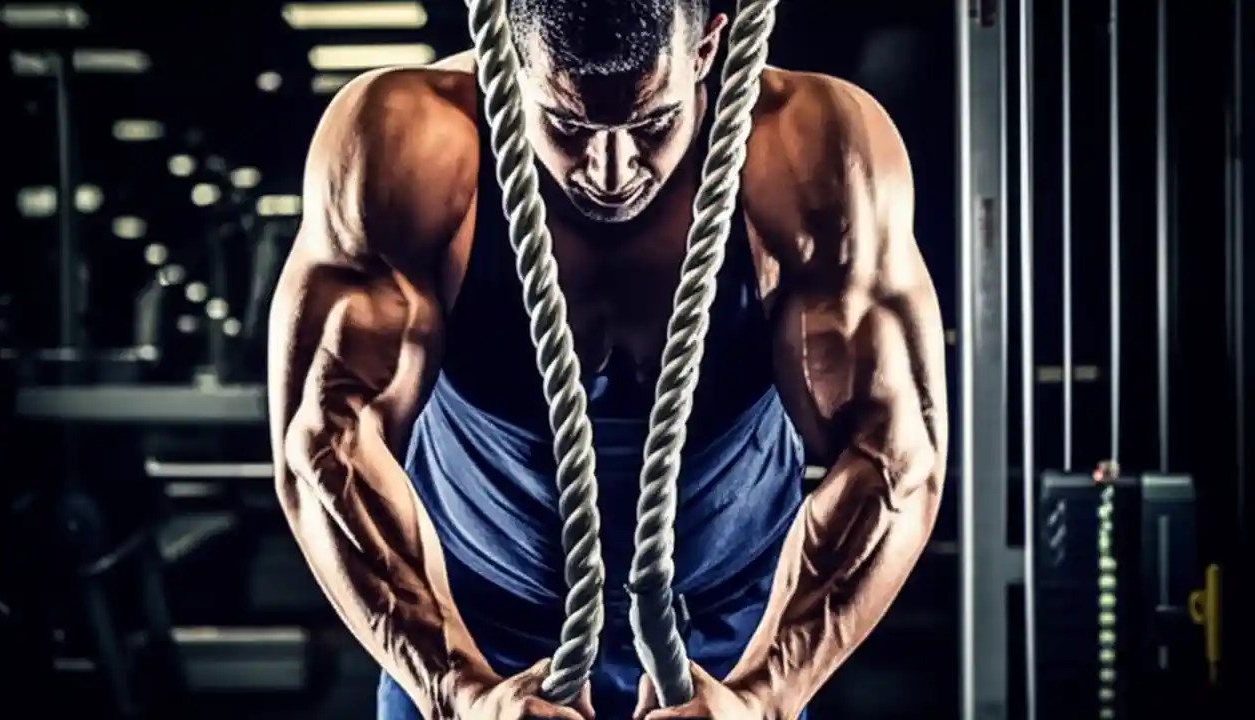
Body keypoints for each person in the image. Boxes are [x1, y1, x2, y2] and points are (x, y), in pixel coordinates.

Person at [267, 1, 948, 718]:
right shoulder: (412, 144)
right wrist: (456, 690)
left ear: (707, 50)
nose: (611, 171)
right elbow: (324, 448)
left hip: (742, 640)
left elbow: (897, 457)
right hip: (461, 627)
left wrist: (766, 696)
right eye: (566, 127)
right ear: (510, 56)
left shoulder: (811, 150)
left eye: (653, 124)